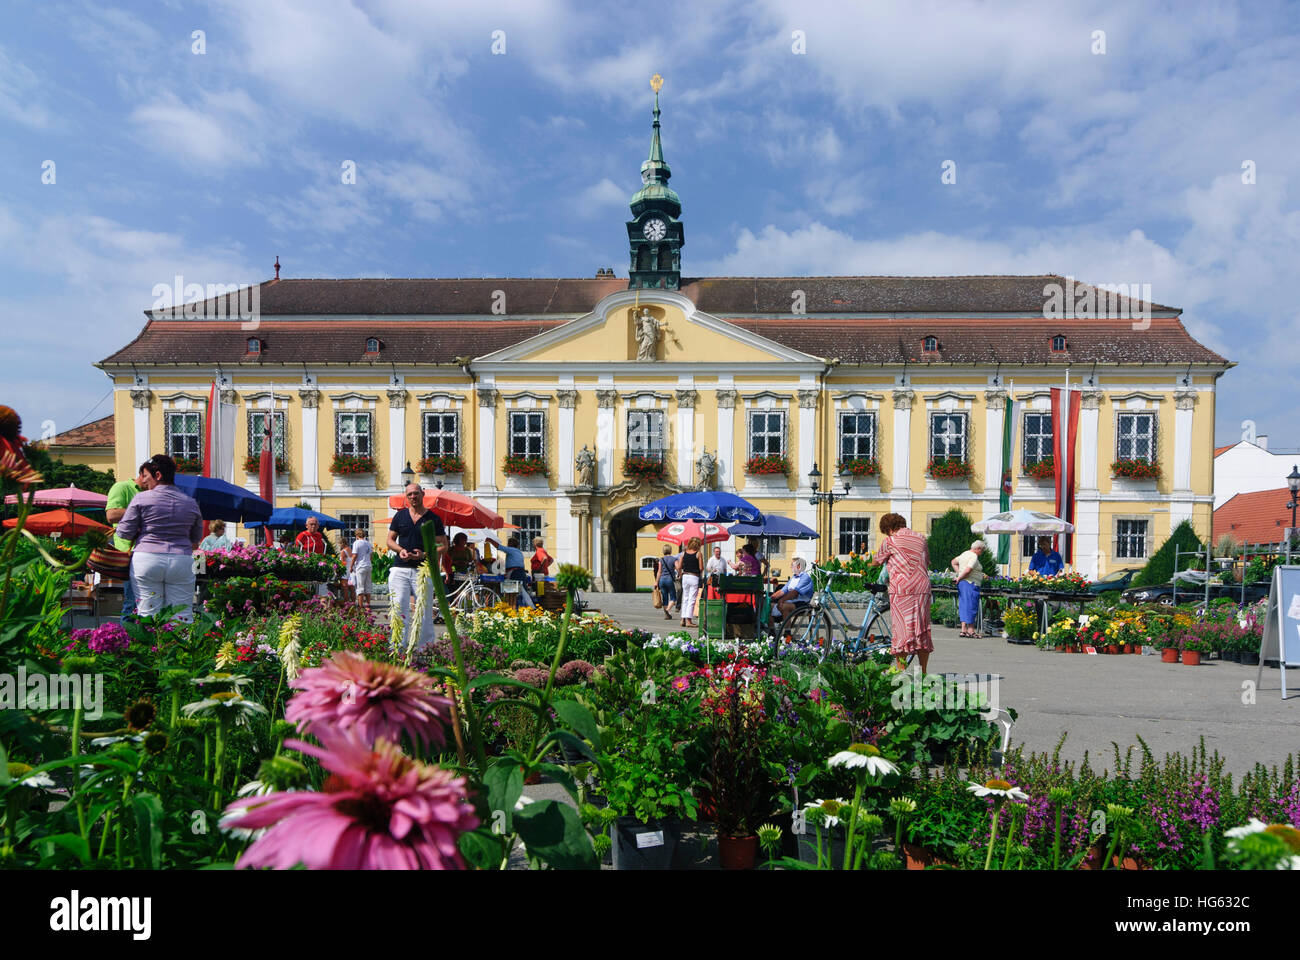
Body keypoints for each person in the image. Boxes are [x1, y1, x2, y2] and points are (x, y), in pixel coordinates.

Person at [113, 454, 204, 622]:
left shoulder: (141, 498)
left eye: (146, 477)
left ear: (158, 475)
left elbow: (123, 532)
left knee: (148, 614)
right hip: (181, 560)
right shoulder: (191, 502)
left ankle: (150, 647)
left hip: (147, 559)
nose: (143, 481)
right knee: (182, 615)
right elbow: (196, 537)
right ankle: (182, 647)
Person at [386, 483, 448, 650]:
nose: (413, 497)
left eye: (416, 493)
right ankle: (397, 646)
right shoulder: (400, 516)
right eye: (410, 494)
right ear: (406, 497)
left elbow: (443, 546)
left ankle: (424, 647)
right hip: (400, 568)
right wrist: (400, 551)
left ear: (422, 494)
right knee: (398, 605)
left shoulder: (433, 518)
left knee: (425, 608)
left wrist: (425, 554)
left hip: (423, 569)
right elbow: (390, 540)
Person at [875, 513, 934, 672]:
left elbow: (876, 561)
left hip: (902, 590)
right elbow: (926, 561)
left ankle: (901, 672)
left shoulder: (890, 541)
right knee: (921, 630)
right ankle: (923, 672)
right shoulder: (921, 538)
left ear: (889, 528)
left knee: (901, 631)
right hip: (922, 588)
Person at [104, 464, 148, 619]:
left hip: (149, 554)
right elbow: (112, 515)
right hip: (129, 555)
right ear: (143, 475)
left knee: (146, 604)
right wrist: (142, 510)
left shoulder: (151, 493)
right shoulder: (122, 487)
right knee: (132, 603)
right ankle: (128, 641)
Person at [952, 540, 988, 638]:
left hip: (963, 583)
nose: (982, 553)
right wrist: (960, 576)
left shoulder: (964, 554)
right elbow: (968, 570)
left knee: (964, 605)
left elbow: (953, 562)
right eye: (982, 550)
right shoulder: (973, 556)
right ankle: (971, 631)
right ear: (978, 549)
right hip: (970, 583)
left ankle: (963, 630)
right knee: (971, 606)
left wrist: (959, 573)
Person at [771, 555, 814, 622]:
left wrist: (782, 600)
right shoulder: (794, 577)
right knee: (768, 606)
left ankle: (787, 631)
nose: (790, 566)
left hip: (803, 603)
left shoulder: (805, 577)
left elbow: (795, 592)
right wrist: (770, 598)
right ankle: (772, 630)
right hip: (792, 601)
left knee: (784, 606)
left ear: (798, 566)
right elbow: (782, 591)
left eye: (792, 565)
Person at [676, 536, 703, 627]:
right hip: (694, 577)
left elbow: (679, 567)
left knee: (685, 598)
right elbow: (701, 568)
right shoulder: (698, 554)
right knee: (692, 599)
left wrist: (680, 574)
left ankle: (682, 619)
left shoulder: (683, 553)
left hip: (685, 576)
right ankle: (689, 621)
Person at [503, 535, 534, 608]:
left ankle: (513, 607)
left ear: (509, 544)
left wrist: (491, 541)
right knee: (523, 591)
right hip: (521, 572)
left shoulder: (511, 550)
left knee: (513, 591)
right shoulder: (519, 552)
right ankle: (528, 607)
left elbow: (500, 547)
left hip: (514, 572)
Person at [349, 528, 373, 607]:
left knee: (360, 586)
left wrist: (351, 566)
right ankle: (368, 605)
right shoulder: (368, 543)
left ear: (356, 535)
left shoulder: (356, 543)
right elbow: (371, 556)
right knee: (368, 585)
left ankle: (360, 605)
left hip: (360, 566)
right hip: (368, 565)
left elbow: (354, 555)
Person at [656, 545, 678, 620]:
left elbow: (659, 571)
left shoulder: (661, 560)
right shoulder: (674, 559)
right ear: (670, 550)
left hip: (662, 580)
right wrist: (679, 575)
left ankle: (667, 615)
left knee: (665, 598)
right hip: (669, 580)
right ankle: (668, 610)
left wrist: (656, 582)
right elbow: (678, 567)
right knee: (673, 597)